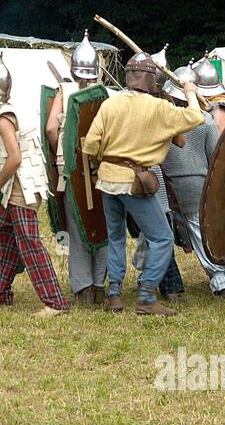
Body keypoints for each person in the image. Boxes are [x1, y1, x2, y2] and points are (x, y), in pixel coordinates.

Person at [84, 53, 205, 315]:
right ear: (151, 79)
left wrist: (105, 162)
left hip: (107, 179)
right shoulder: (159, 108)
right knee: (162, 238)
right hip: (134, 181)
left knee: (115, 237)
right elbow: (196, 118)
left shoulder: (111, 104)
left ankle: (114, 294)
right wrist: (190, 92)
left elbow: (91, 145)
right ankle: (147, 297)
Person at [0, 54, 68, 313]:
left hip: (22, 188)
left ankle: (55, 302)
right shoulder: (10, 110)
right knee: (2, 236)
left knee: (29, 243)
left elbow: (14, 158)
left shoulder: (3, 118)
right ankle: (1, 294)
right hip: (16, 187)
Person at [160, 65, 225, 297]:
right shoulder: (206, 119)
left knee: (156, 233)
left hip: (167, 186)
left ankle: (152, 278)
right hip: (196, 185)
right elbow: (215, 158)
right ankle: (220, 279)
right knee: (200, 233)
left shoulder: (165, 119)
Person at [46, 34, 109, 304]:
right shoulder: (103, 95)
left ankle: (83, 288)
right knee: (101, 224)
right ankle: (98, 285)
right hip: (99, 167)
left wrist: (59, 149)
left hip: (70, 168)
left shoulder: (65, 91)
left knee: (78, 226)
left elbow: (50, 127)